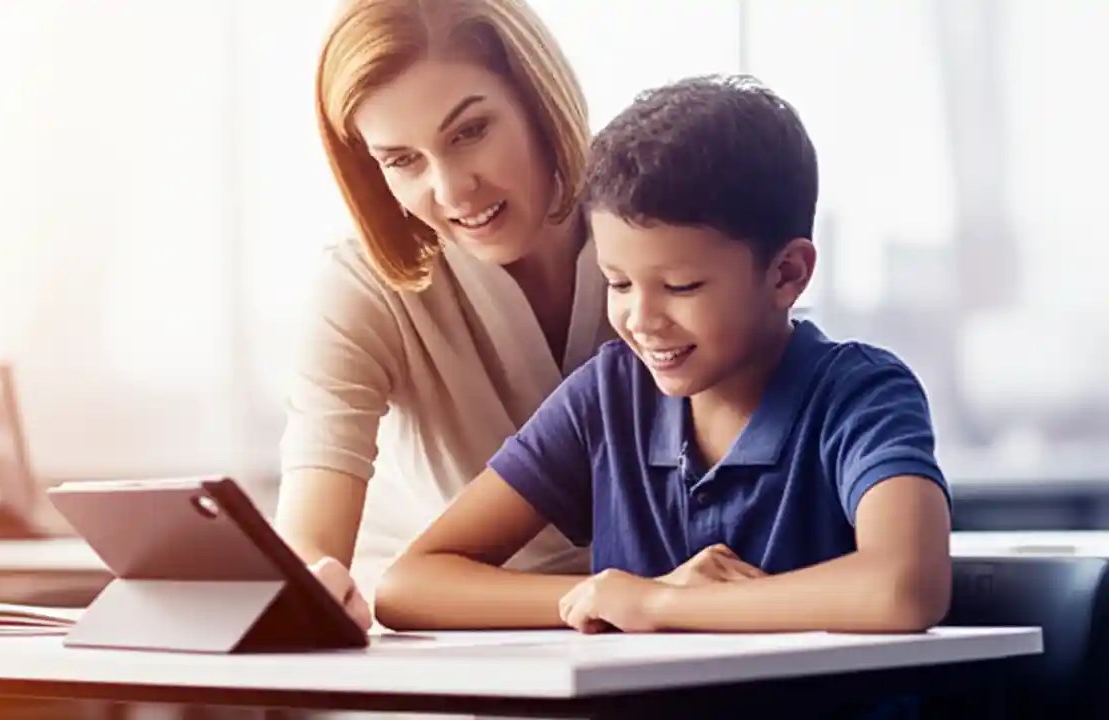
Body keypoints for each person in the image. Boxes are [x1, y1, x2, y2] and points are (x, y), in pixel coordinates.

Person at [375, 75, 953, 635]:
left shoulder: (861, 395)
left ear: (787, 274)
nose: (640, 321)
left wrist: (657, 604)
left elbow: (903, 588)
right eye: (618, 284)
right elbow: (410, 586)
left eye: (681, 287)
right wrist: (613, 595)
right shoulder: (608, 398)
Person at [275, 0, 616, 630]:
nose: (454, 191)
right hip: (443, 643)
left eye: (469, 132)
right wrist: (313, 585)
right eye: (402, 161)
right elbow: (309, 553)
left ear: (538, 100)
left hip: (647, 637)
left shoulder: (654, 233)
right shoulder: (364, 285)